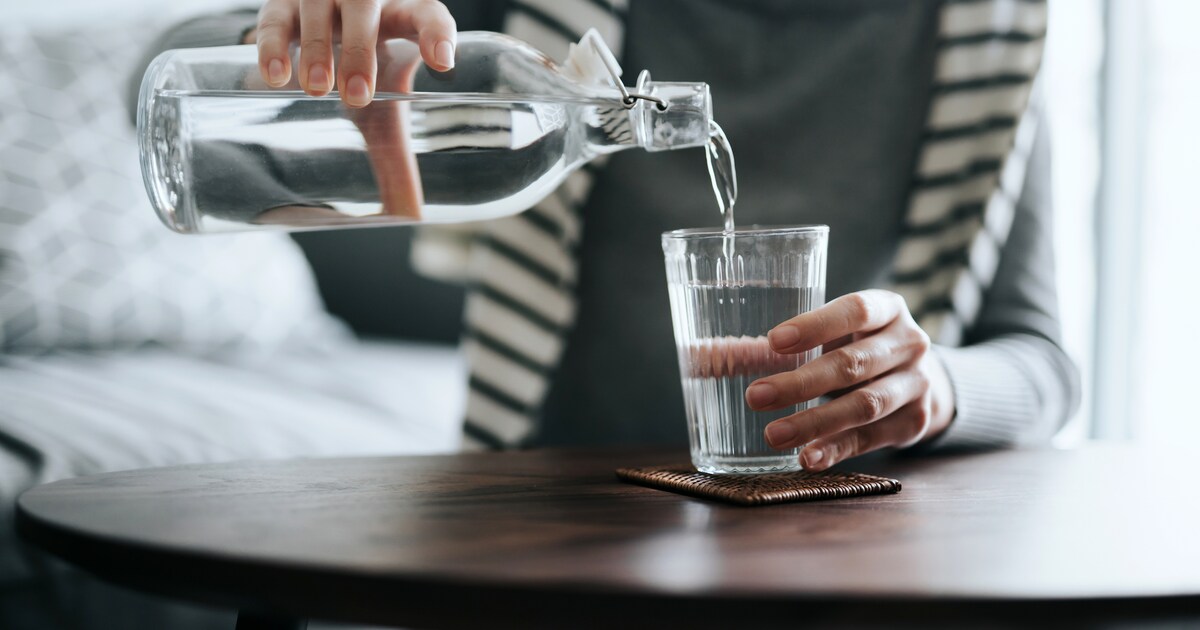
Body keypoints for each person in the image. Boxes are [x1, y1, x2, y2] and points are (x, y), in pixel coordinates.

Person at [148, 0, 1079, 470]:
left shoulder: (986, 32)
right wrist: (284, 43)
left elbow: (1045, 364)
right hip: (553, 510)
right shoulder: (546, 27)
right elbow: (151, 88)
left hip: (845, 528)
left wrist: (934, 385)